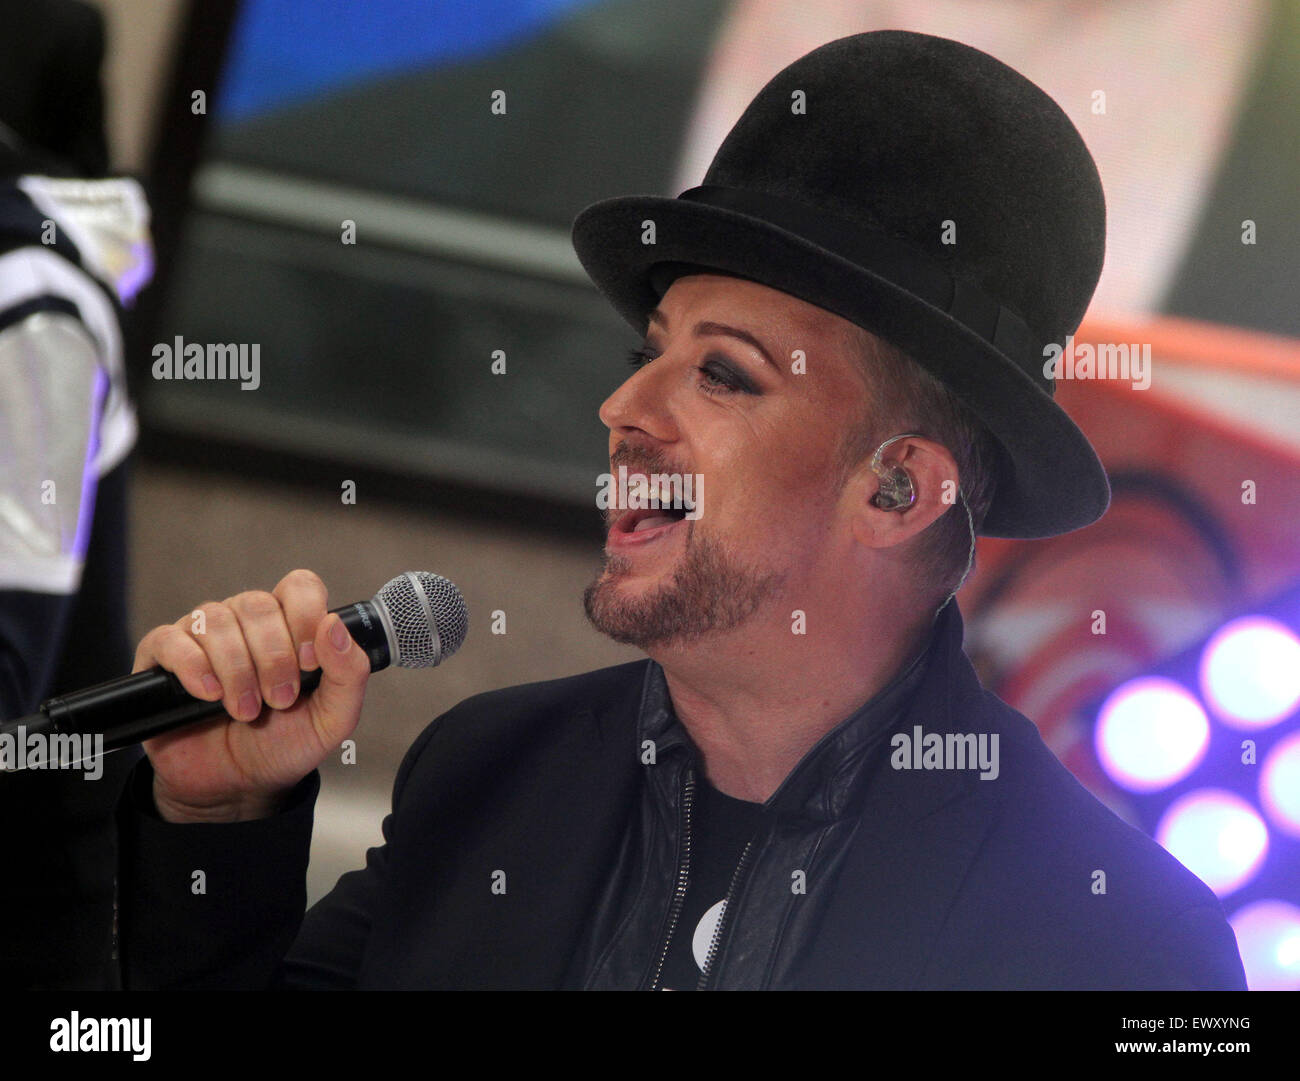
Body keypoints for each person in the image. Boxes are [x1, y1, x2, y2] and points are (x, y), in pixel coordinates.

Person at [114, 31, 1246, 990]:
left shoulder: (1123, 945)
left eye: (723, 375)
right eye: (646, 354)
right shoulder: (490, 776)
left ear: (897, 488)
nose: (619, 408)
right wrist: (219, 825)